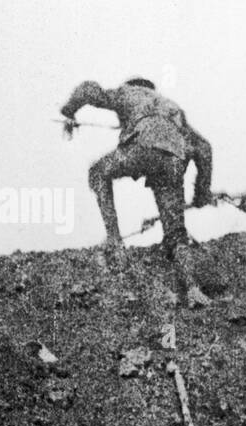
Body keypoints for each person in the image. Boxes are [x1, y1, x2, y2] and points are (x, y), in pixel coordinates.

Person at [60, 77, 213, 306]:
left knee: (99, 172)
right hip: (173, 161)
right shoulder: (172, 107)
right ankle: (193, 290)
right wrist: (201, 193)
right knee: (177, 235)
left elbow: (88, 90)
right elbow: (204, 149)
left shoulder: (127, 92)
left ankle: (114, 240)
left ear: (133, 85)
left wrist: (69, 111)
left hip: (142, 147)